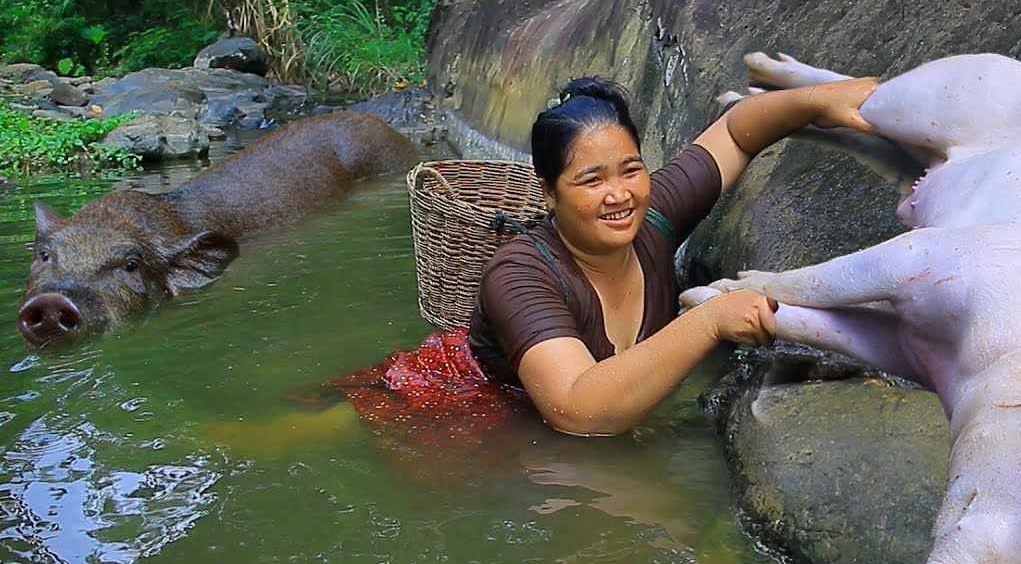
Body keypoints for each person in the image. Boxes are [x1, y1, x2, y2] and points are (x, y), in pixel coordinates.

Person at [303, 72, 880, 441]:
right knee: (314, 432)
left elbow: (734, 133)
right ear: (549, 193)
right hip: (449, 402)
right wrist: (707, 321)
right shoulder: (519, 274)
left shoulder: (651, 219)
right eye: (590, 179)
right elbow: (579, 409)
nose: (619, 193)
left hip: (542, 414)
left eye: (631, 169)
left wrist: (815, 101)